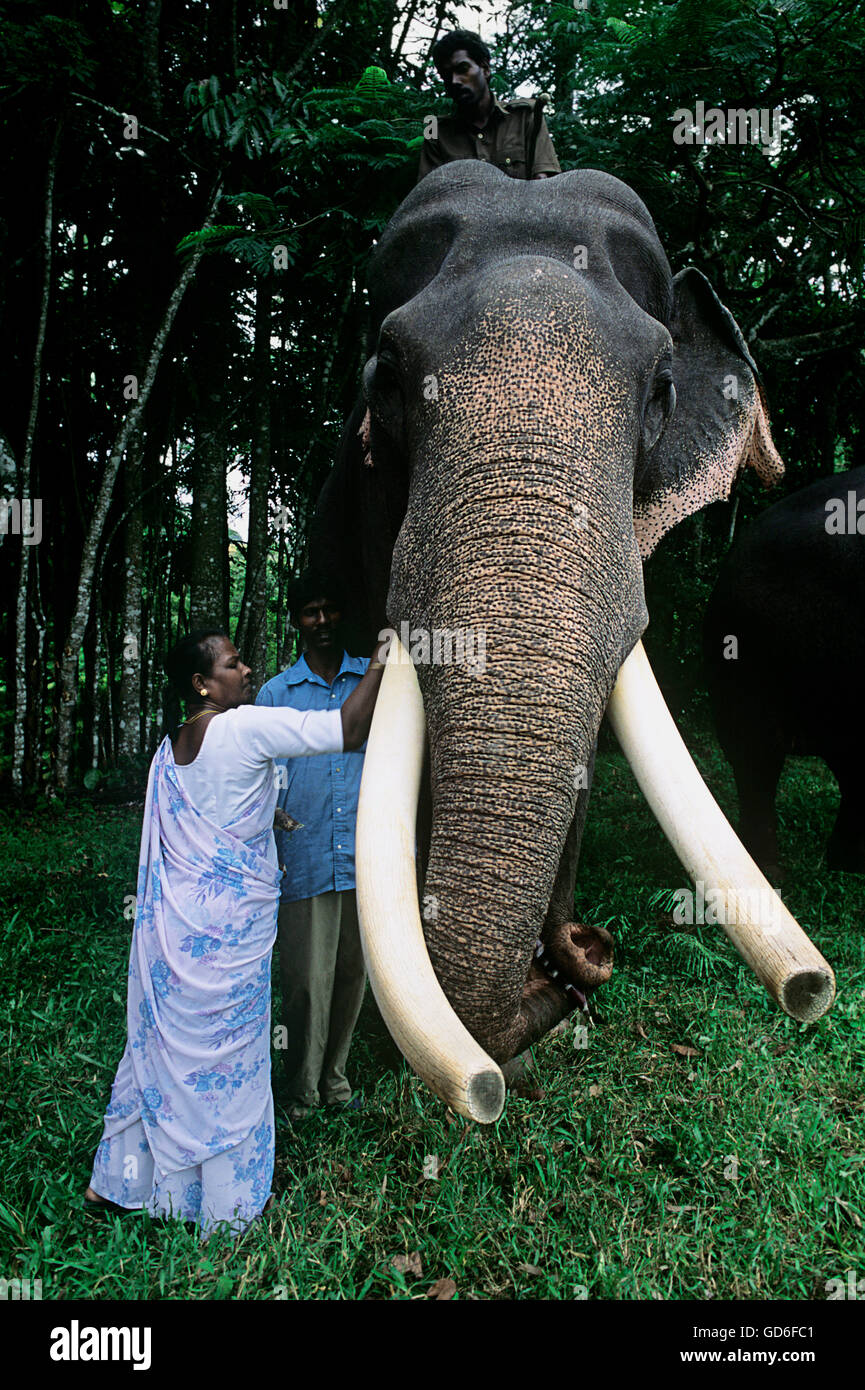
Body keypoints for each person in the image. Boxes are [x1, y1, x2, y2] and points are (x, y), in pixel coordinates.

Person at [84, 628, 385, 1235]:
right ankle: (223, 1208)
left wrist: (263, 811)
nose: (247, 670)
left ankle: (116, 1184)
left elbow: (211, 806)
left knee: (158, 1050)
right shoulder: (244, 727)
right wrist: (381, 657)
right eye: (232, 663)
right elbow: (347, 729)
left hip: (176, 936)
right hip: (228, 940)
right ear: (203, 684)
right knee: (231, 1063)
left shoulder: (170, 749)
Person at [256, 571, 369, 1121]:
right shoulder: (277, 693)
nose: (321, 622)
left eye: (329, 609)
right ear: (296, 620)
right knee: (304, 979)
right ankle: (300, 1090)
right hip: (302, 857)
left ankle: (336, 1080)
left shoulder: (370, 681)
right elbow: (262, 783)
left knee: (352, 973)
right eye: (309, 612)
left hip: (365, 858)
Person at [418, 29, 560, 183]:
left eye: (462, 69)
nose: (454, 81)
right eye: (446, 75)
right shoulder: (435, 131)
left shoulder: (526, 116)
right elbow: (429, 198)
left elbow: (546, 187)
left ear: (485, 69)